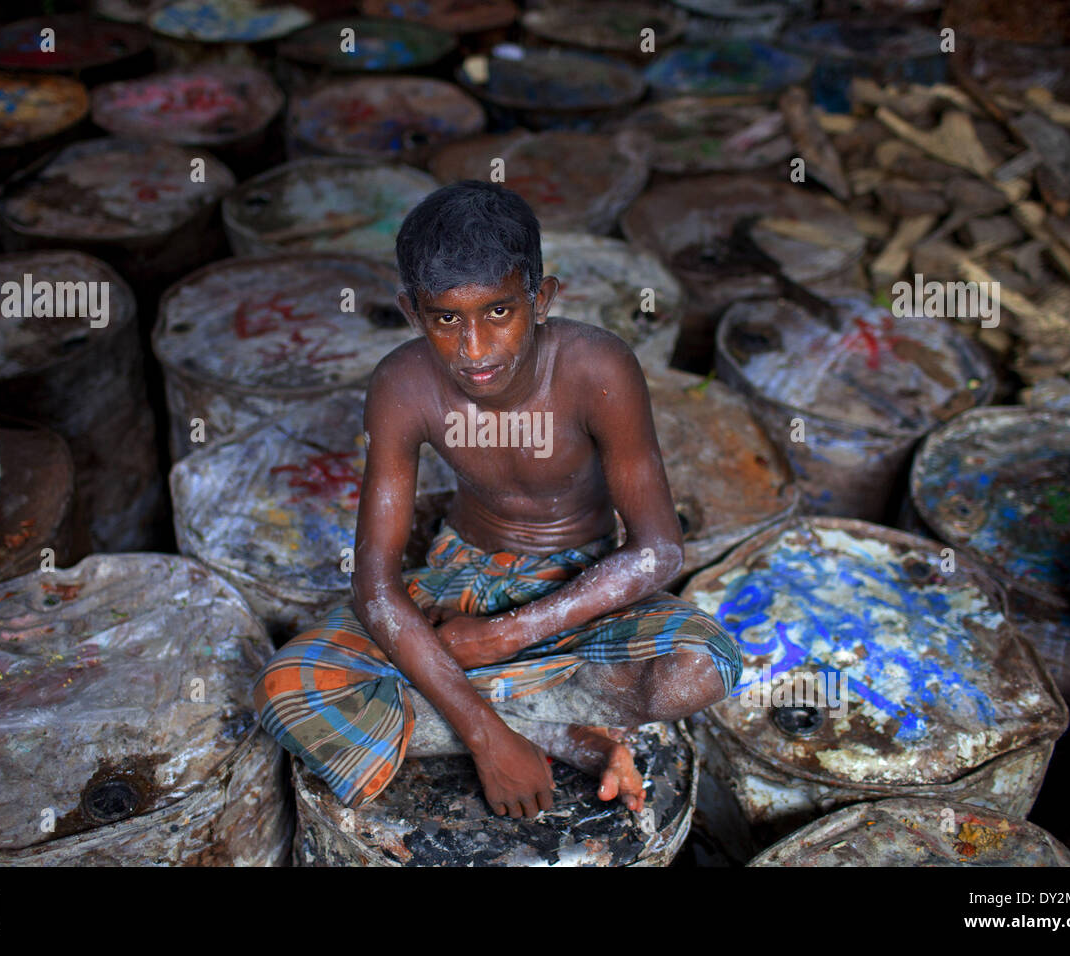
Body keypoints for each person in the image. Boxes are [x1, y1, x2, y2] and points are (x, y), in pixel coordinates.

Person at [253, 180, 742, 819]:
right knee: (284, 690)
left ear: (540, 299)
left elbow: (656, 551)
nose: (475, 350)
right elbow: (375, 586)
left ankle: (473, 704)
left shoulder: (599, 368)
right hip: (461, 577)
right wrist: (488, 740)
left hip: (578, 588)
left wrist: (507, 636)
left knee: (701, 665)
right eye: (447, 320)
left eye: (499, 313)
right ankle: (554, 733)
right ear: (412, 312)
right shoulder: (402, 386)